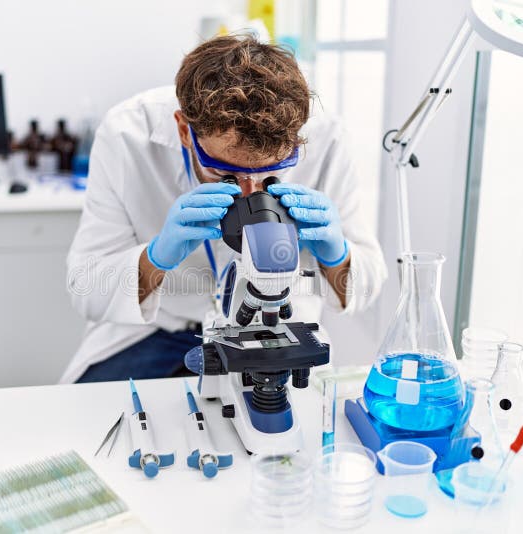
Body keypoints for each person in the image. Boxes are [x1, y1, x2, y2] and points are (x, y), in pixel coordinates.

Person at [62, 35, 387, 384]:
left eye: (272, 174)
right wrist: (155, 259)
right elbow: (86, 288)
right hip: (155, 330)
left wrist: (336, 254)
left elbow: (367, 288)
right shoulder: (126, 135)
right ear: (185, 130)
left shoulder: (328, 139)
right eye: (226, 174)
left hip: (274, 327)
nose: (250, 192)